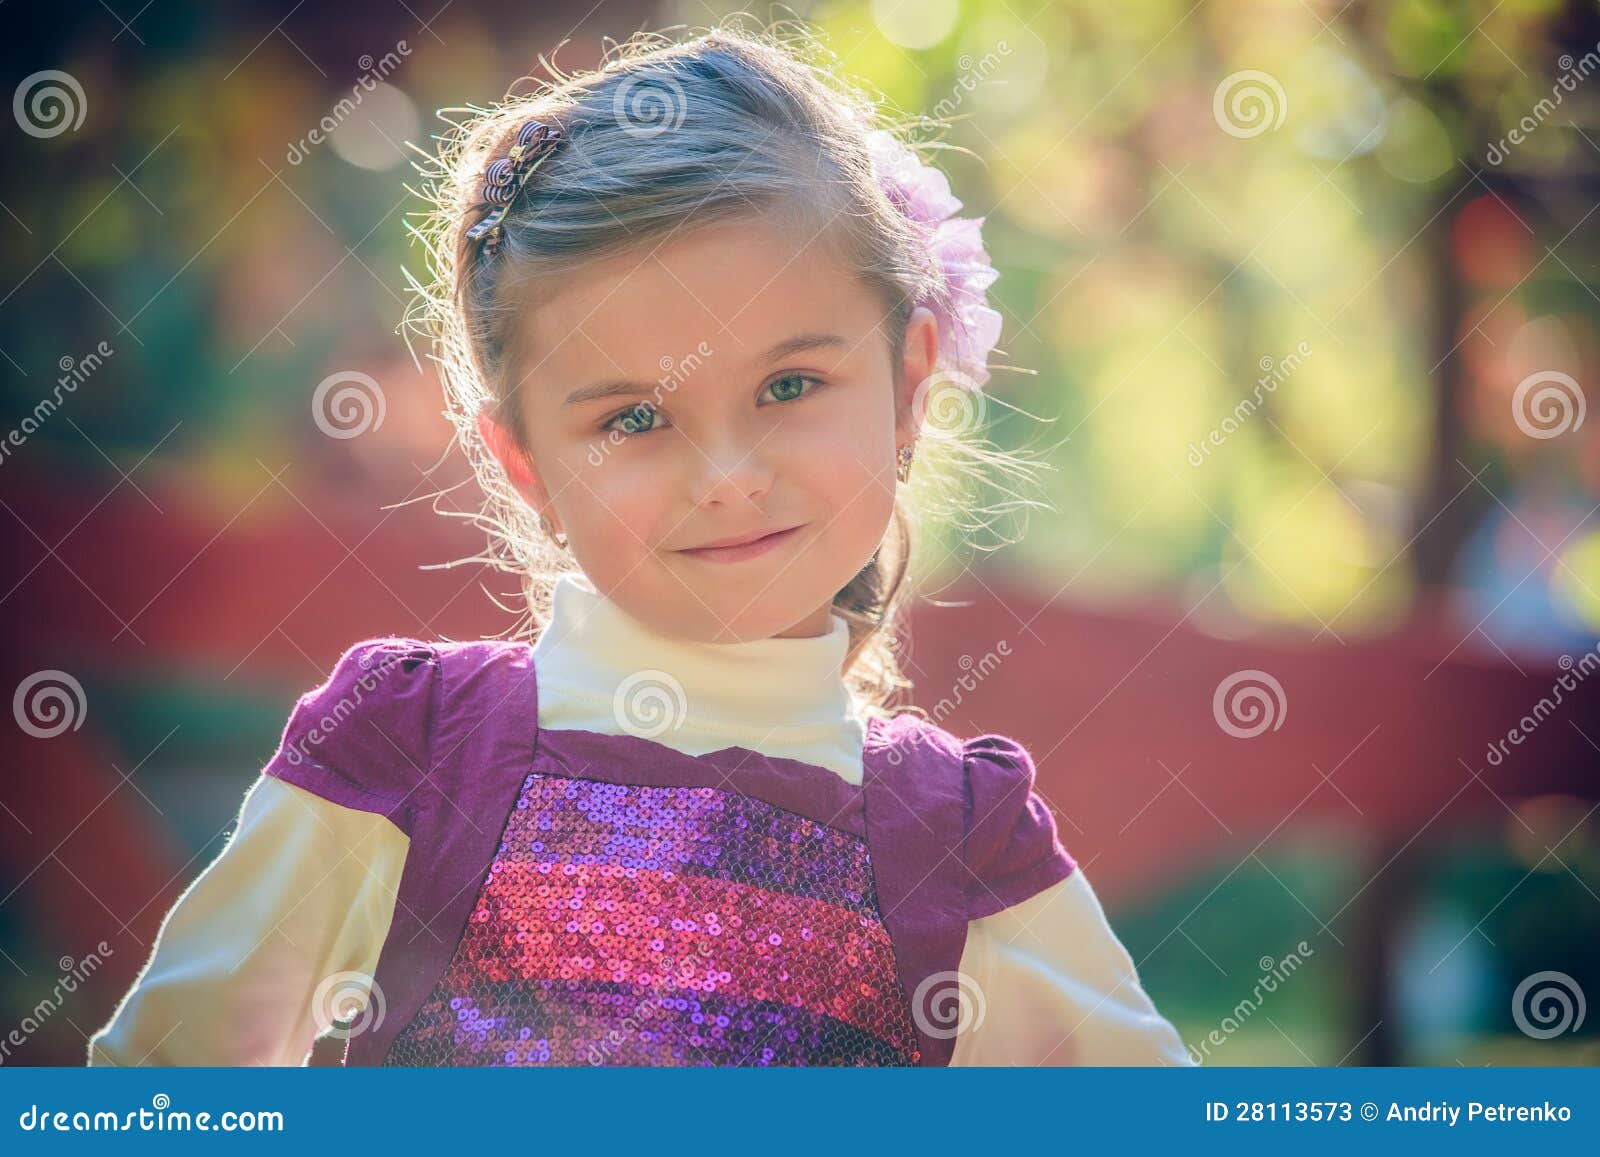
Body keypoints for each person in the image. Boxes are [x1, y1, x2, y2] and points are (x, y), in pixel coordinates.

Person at [87, 26, 1190, 1068]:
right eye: (632, 418)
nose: (727, 475)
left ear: (907, 387)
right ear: (525, 464)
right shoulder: (408, 754)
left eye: (789, 385)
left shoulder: (960, 842)